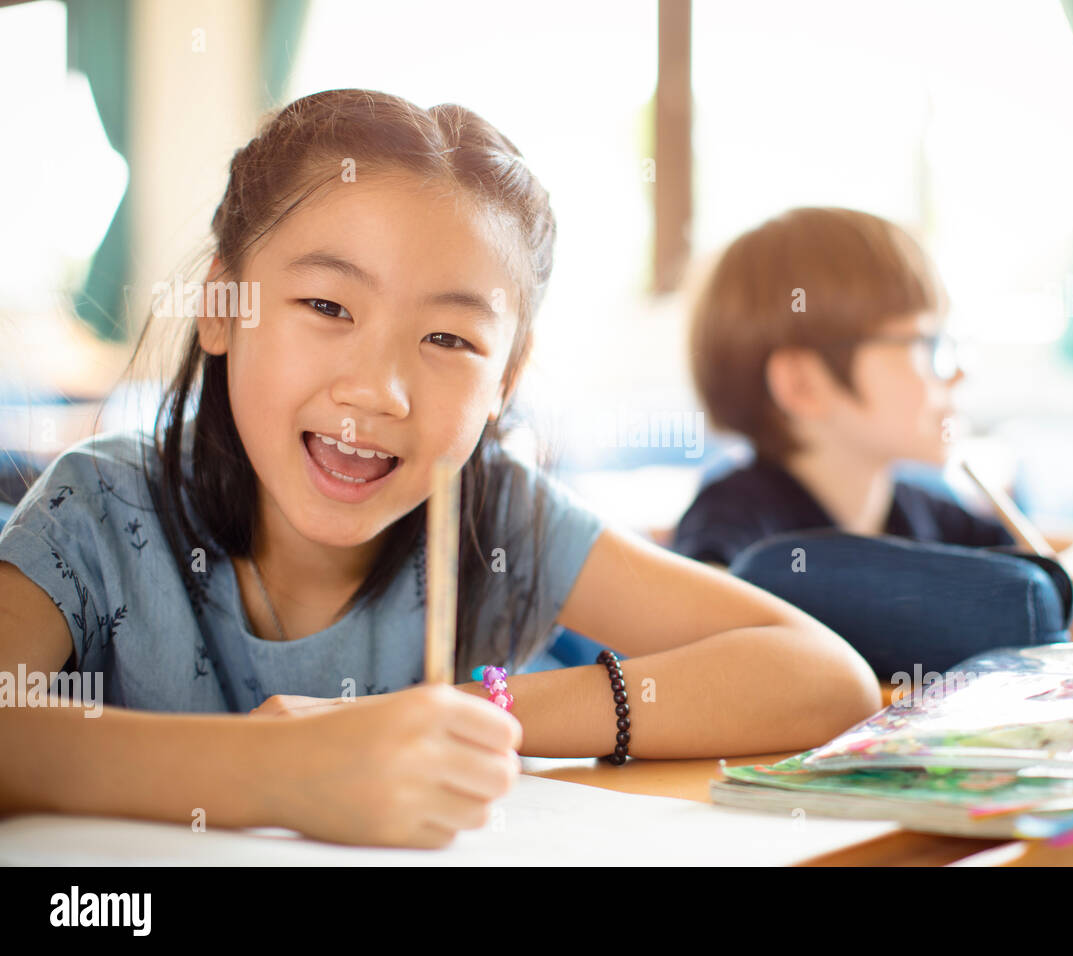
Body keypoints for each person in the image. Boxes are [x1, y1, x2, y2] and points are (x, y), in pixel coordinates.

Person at [0, 91, 880, 849]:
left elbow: (823, 677)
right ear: (222, 308)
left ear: (507, 377)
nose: (380, 389)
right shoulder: (97, 509)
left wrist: (476, 715)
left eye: (450, 339)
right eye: (326, 305)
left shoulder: (497, 519)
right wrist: (281, 771)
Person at [674, 206, 1073, 644]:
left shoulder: (923, 510)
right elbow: (705, 624)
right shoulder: (730, 516)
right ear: (803, 384)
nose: (958, 373)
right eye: (925, 344)